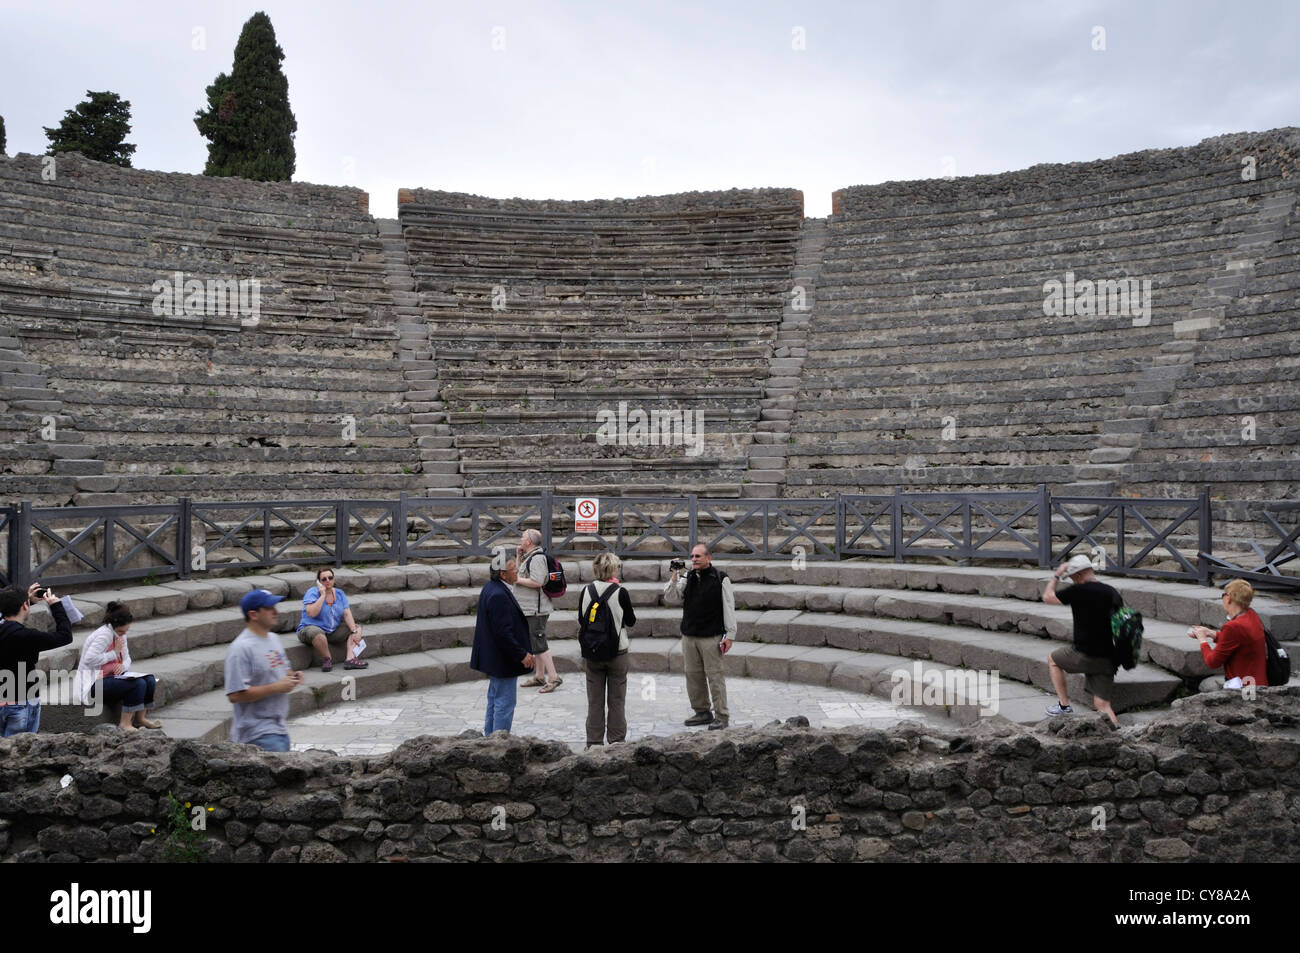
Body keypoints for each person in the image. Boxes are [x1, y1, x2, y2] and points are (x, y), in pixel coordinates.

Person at [1042, 553, 1121, 728]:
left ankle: (1064, 706)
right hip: (1108, 656)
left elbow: (1048, 597)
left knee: (1053, 659)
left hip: (1084, 653)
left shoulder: (1077, 591)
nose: (1071, 580)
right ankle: (1119, 736)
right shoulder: (1112, 592)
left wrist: (1056, 575)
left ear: (1077, 575)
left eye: (1070, 577)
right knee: (1103, 706)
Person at [664, 543, 736, 730]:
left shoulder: (720, 578)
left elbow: (729, 607)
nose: (694, 559)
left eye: (698, 556)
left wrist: (730, 635)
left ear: (708, 558)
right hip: (689, 635)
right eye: (692, 556)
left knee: (715, 676)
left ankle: (722, 716)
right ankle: (702, 711)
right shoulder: (687, 577)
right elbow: (671, 598)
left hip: (711, 636)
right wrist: (674, 574)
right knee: (693, 676)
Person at [223, 589, 303, 752]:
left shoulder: (273, 639)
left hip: (279, 729)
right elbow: (235, 694)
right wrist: (276, 687)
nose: (275, 611)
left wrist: (292, 676)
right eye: (269, 608)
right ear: (253, 614)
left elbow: (281, 670)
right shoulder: (241, 648)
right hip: (256, 735)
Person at [579, 552, 637, 748]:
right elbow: (630, 621)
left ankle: (594, 742)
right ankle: (616, 741)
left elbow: (582, 619)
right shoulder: (620, 592)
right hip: (617, 652)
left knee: (594, 700)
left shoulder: (586, 591)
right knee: (617, 700)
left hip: (593, 652)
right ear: (613, 569)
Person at [471, 558, 535, 736]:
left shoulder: (490, 588)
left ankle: (490, 737)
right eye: (513, 569)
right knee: (504, 703)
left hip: (494, 658)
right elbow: (503, 633)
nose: (518, 572)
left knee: (494, 699)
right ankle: (499, 742)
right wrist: (522, 655)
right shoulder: (499, 595)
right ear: (503, 574)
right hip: (502, 661)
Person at [0, 583, 73, 736]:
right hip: (22, 703)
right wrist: (56, 606)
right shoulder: (27, 636)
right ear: (24, 606)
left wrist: (25, 600)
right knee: (19, 754)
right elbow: (65, 636)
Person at [76, 601, 160, 730]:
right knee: (138, 684)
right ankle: (125, 723)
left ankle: (140, 719)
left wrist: (124, 667)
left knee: (149, 679)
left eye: (126, 631)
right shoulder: (103, 635)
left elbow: (127, 659)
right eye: (121, 631)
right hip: (93, 683)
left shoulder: (120, 635)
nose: (124, 635)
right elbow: (89, 659)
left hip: (114, 678)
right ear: (115, 626)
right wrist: (113, 653)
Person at [1188, 579, 1267, 689]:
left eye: (1223, 595)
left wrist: (1202, 640)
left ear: (1228, 597)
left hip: (1243, 688)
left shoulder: (1233, 626)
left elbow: (1212, 662)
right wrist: (1212, 633)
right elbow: (1239, 640)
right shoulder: (1252, 615)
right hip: (1258, 681)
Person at [515, 529, 560, 692]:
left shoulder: (537, 558)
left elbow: (537, 581)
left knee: (539, 642)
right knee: (536, 643)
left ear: (528, 542)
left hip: (537, 609)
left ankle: (554, 677)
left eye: (522, 537)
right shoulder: (529, 557)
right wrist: (518, 556)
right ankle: (540, 676)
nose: (520, 540)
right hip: (530, 608)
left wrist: (516, 580)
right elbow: (521, 571)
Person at [297, 568, 366, 672]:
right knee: (317, 633)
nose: (328, 580)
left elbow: (347, 613)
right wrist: (323, 595)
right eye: (324, 579)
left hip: (331, 631)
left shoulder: (339, 593)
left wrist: (354, 631)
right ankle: (327, 659)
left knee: (356, 628)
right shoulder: (312, 592)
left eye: (330, 578)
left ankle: (350, 659)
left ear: (333, 579)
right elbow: (312, 613)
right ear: (319, 582)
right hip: (309, 630)